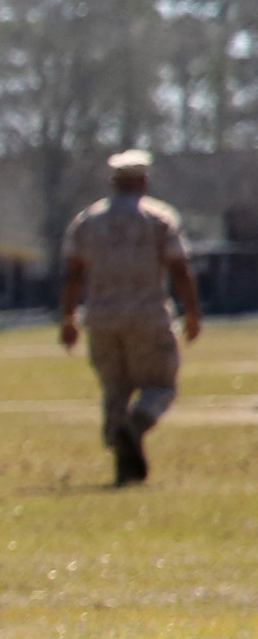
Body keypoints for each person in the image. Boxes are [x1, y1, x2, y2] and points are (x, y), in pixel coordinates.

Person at [59, 147, 204, 484]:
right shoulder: (159, 218)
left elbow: (74, 274)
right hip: (147, 315)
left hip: (101, 318)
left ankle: (124, 466)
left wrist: (68, 319)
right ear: (144, 181)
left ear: (113, 182)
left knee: (115, 391)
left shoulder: (88, 220)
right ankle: (137, 424)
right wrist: (192, 313)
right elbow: (179, 269)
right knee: (160, 385)